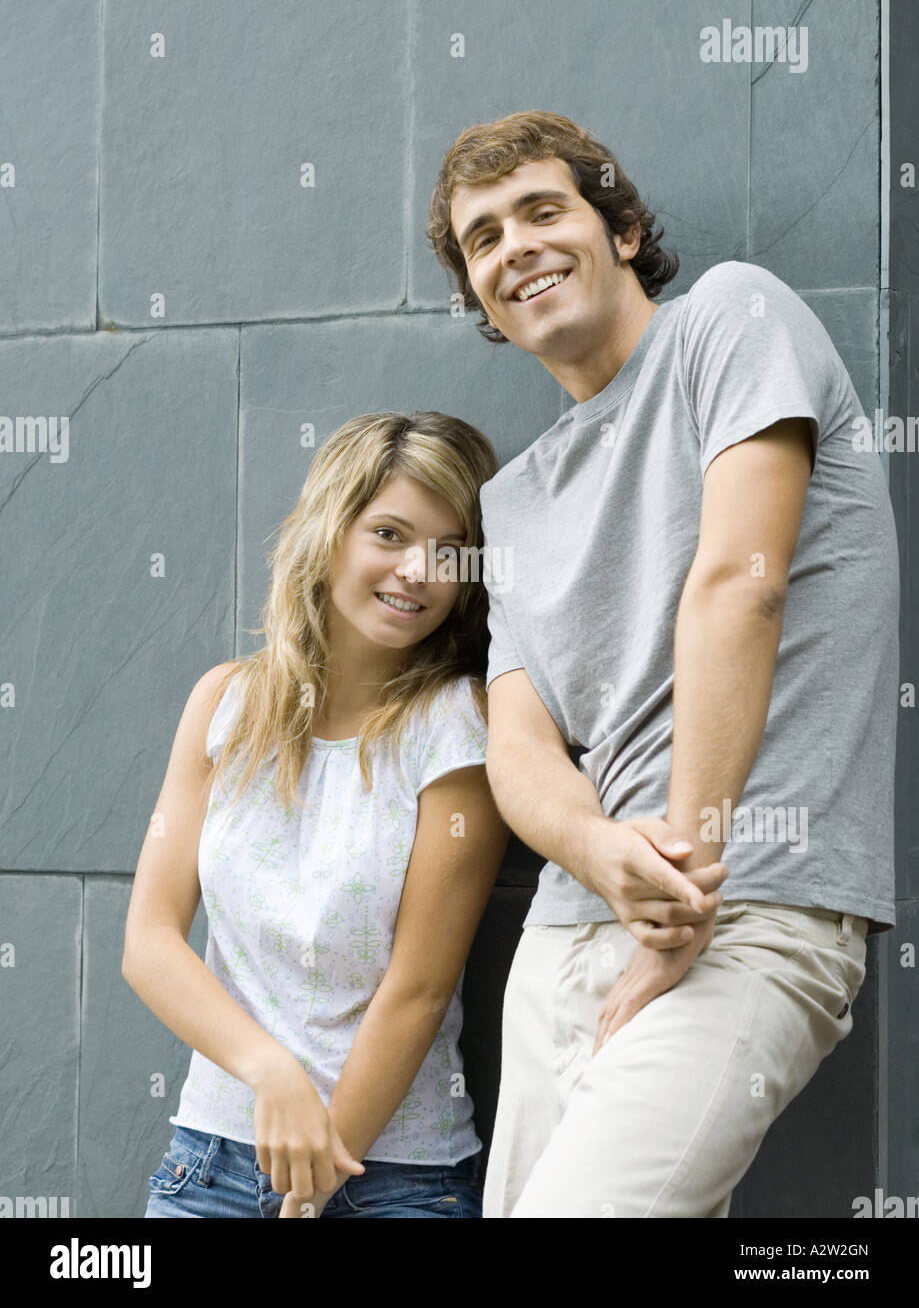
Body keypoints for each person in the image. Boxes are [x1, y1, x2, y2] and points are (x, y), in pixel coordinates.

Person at [425, 110, 900, 1218]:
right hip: (568, 932)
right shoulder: (513, 497)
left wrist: (680, 897)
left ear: (623, 227)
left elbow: (740, 581)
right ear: (479, 300)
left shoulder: (730, 318)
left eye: (543, 211)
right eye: (483, 239)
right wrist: (595, 847)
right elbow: (521, 740)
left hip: (747, 902)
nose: (515, 248)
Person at [123, 411, 509, 1219]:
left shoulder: (458, 725)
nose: (416, 572)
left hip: (393, 1177)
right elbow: (150, 941)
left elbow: (419, 987)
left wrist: (314, 1184)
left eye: (448, 551)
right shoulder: (224, 704)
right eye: (390, 533)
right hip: (212, 1165)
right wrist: (268, 1070)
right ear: (330, 532)